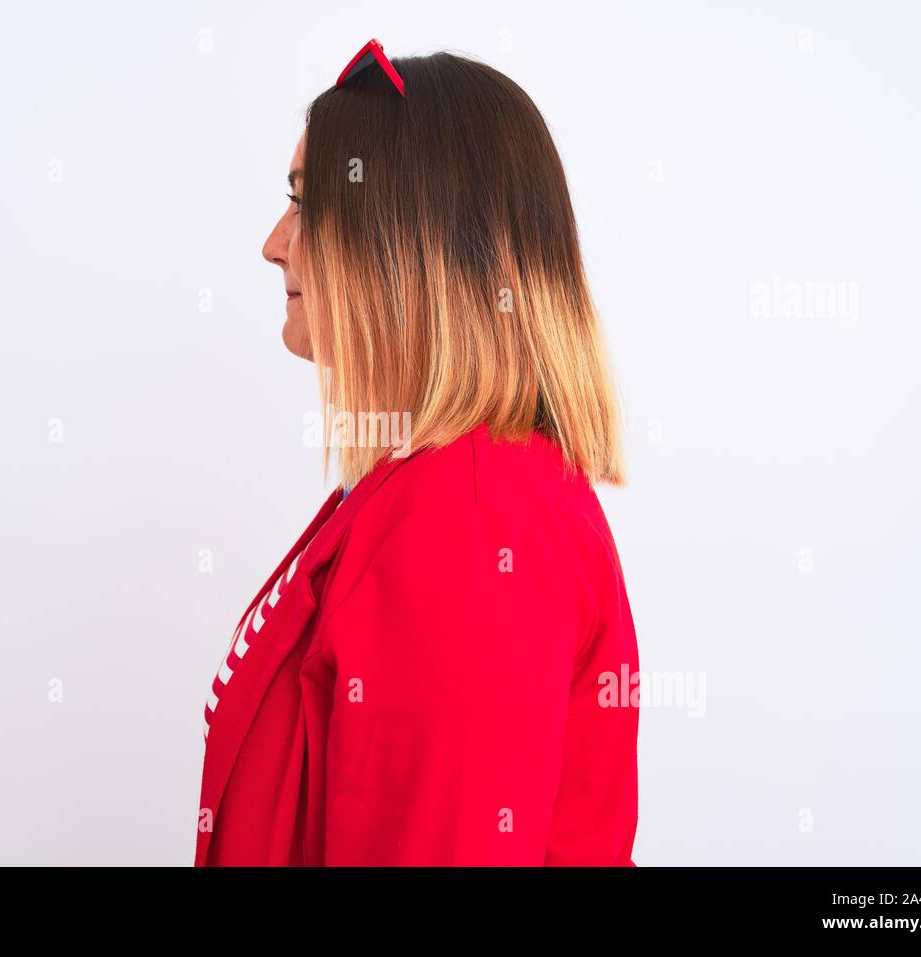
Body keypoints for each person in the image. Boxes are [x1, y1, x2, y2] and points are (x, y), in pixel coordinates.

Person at [195, 40, 640, 866]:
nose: (273, 243)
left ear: (408, 238)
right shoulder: (434, 488)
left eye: (307, 203)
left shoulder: (467, 519)